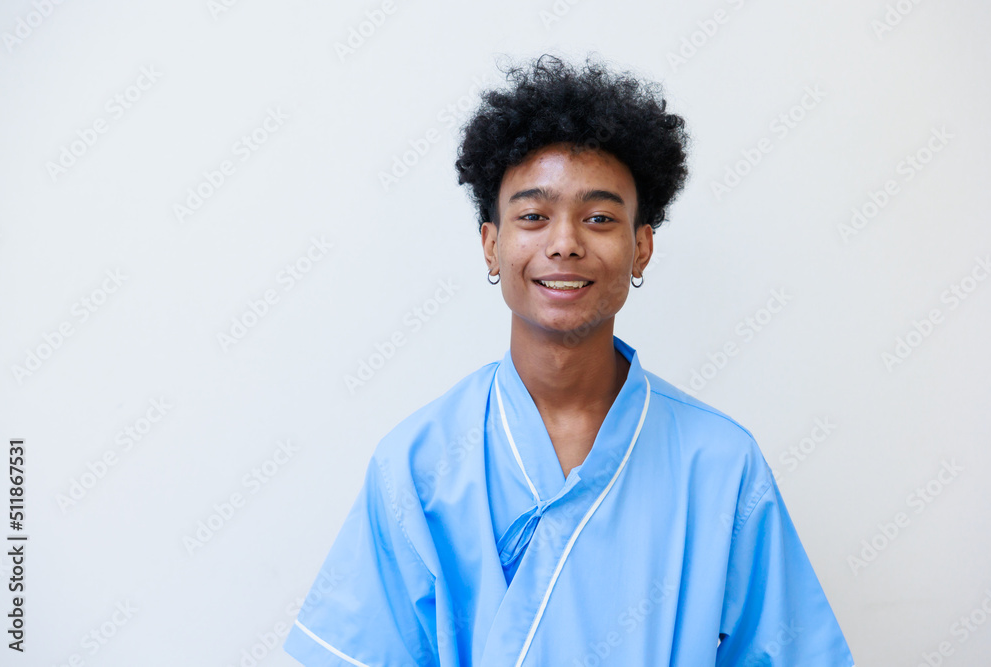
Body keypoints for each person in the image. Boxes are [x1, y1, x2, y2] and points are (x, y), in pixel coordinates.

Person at [283, 53, 855, 666]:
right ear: (491, 244)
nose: (564, 242)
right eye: (532, 216)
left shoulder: (720, 465)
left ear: (641, 247)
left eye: (599, 218)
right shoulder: (418, 463)